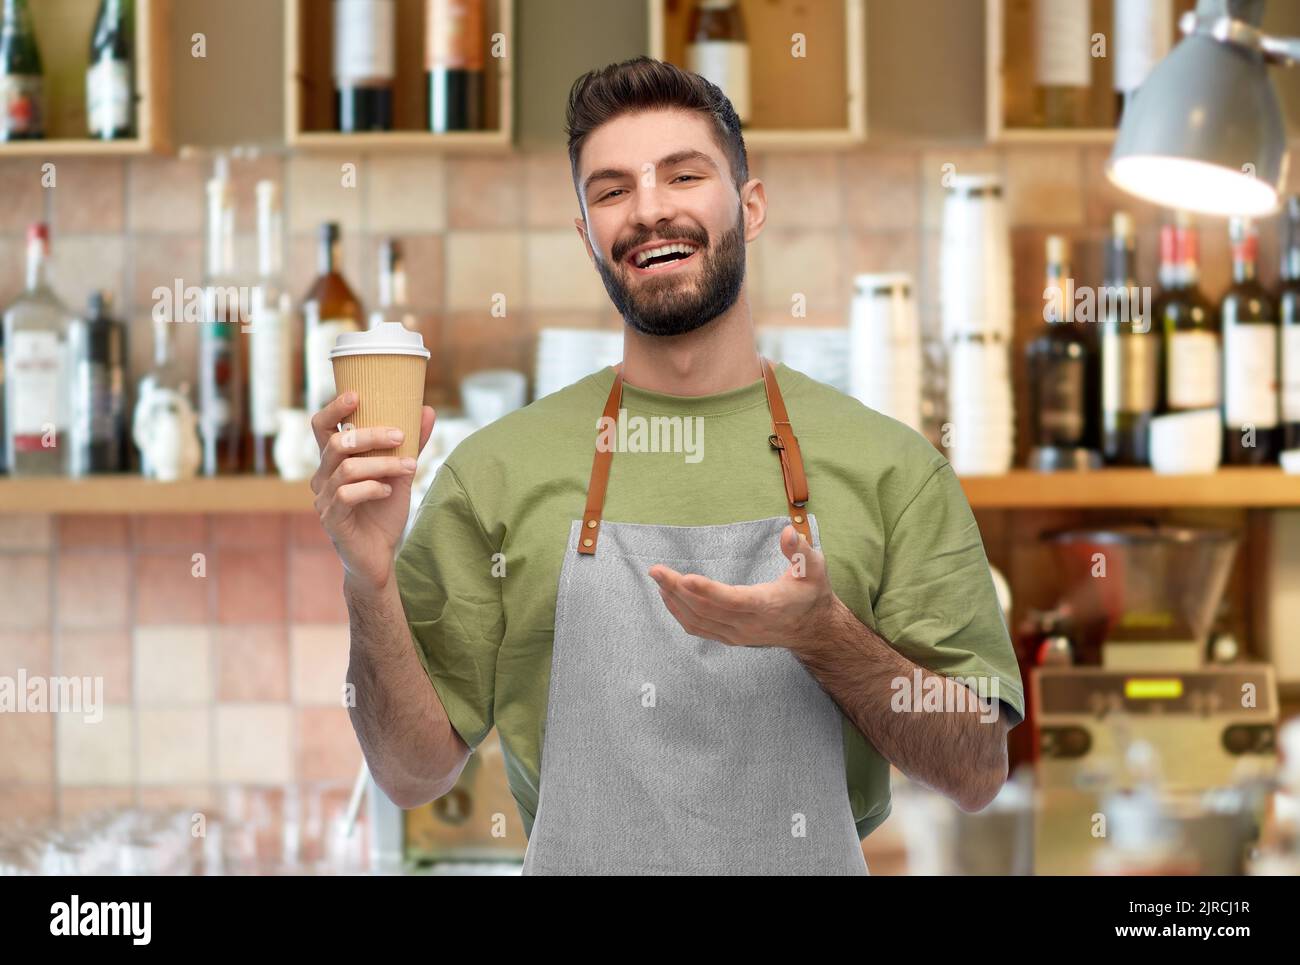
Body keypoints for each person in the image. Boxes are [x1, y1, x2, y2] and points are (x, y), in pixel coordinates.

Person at [310, 57, 1024, 875]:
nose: (650, 209)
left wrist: (823, 634)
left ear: (749, 207)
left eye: (684, 175)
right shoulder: (495, 473)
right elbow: (411, 773)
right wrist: (366, 578)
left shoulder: (892, 467)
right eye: (612, 190)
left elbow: (975, 767)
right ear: (587, 235)